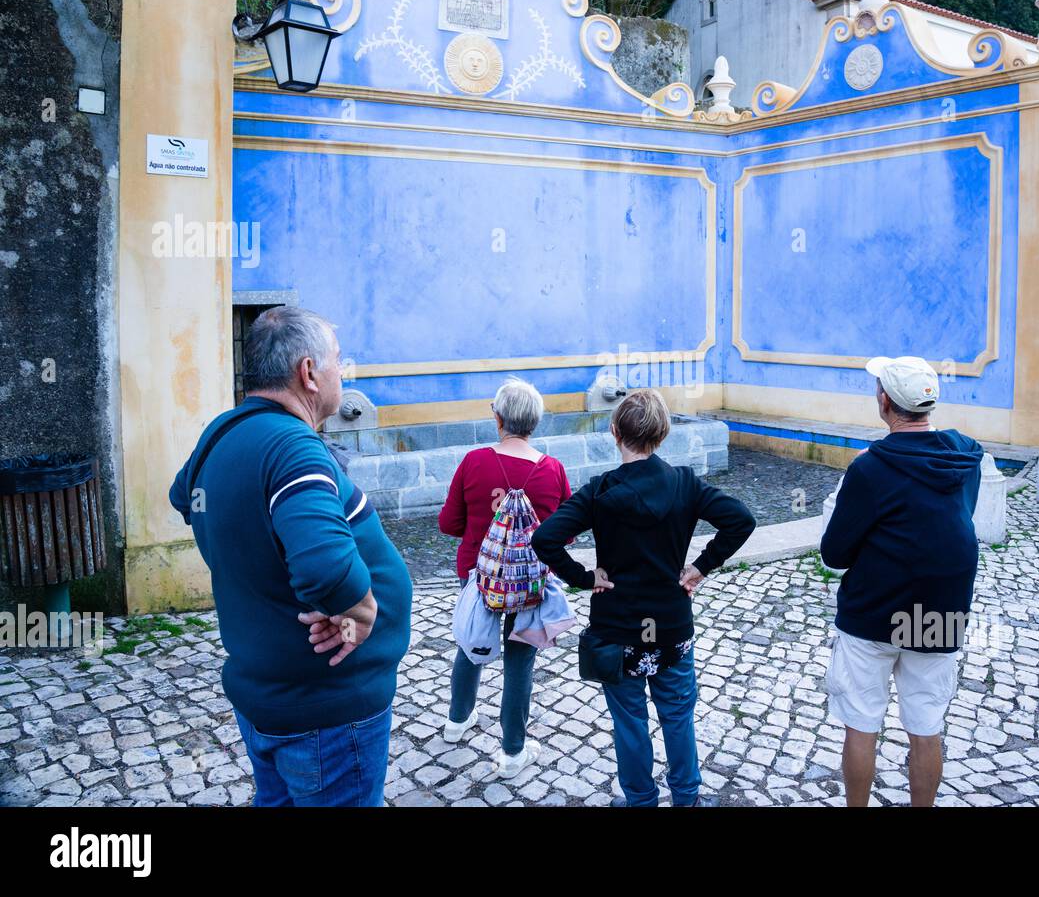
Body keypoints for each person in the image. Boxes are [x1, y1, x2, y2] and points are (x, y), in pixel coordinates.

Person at [168, 306, 412, 807]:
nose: (342, 373)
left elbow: (183, 496)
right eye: (338, 362)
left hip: (267, 692)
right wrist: (362, 610)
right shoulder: (293, 448)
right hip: (326, 711)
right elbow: (325, 568)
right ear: (308, 372)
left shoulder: (222, 433)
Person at [532, 388, 756, 807]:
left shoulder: (599, 492)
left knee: (629, 721)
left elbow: (545, 539)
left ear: (615, 432)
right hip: (670, 624)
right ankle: (686, 797)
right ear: (663, 433)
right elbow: (741, 520)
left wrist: (583, 577)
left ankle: (640, 800)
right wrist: (701, 567)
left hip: (617, 627)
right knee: (677, 715)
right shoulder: (686, 484)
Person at [820, 355, 983, 807]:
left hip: (873, 614)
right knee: (926, 726)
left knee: (861, 722)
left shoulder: (871, 468)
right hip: (941, 610)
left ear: (884, 401)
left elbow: (834, 553)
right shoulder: (965, 457)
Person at [437, 378, 572, 778]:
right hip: (530, 581)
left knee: (470, 641)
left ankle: (457, 721)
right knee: (520, 659)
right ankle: (513, 751)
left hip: (478, 575)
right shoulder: (553, 470)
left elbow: (448, 523)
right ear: (536, 422)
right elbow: (565, 532)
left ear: (497, 419)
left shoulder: (473, 461)